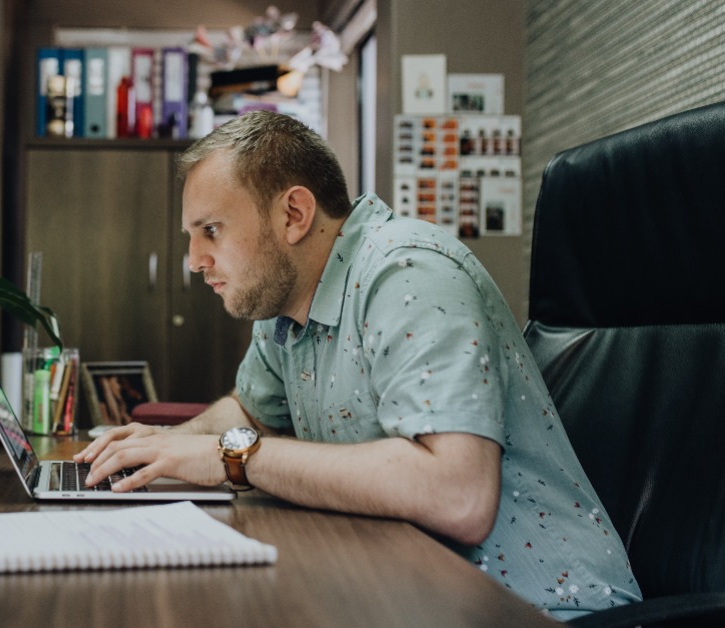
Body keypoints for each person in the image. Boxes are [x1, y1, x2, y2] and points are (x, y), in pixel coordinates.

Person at [76, 110, 641, 619]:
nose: (195, 261)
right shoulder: (285, 305)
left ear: (294, 214)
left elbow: (457, 496)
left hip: (542, 609)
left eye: (211, 231)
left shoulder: (407, 274)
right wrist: (157, 447)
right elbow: (250, 410)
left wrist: (233, 456)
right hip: (410, 593)